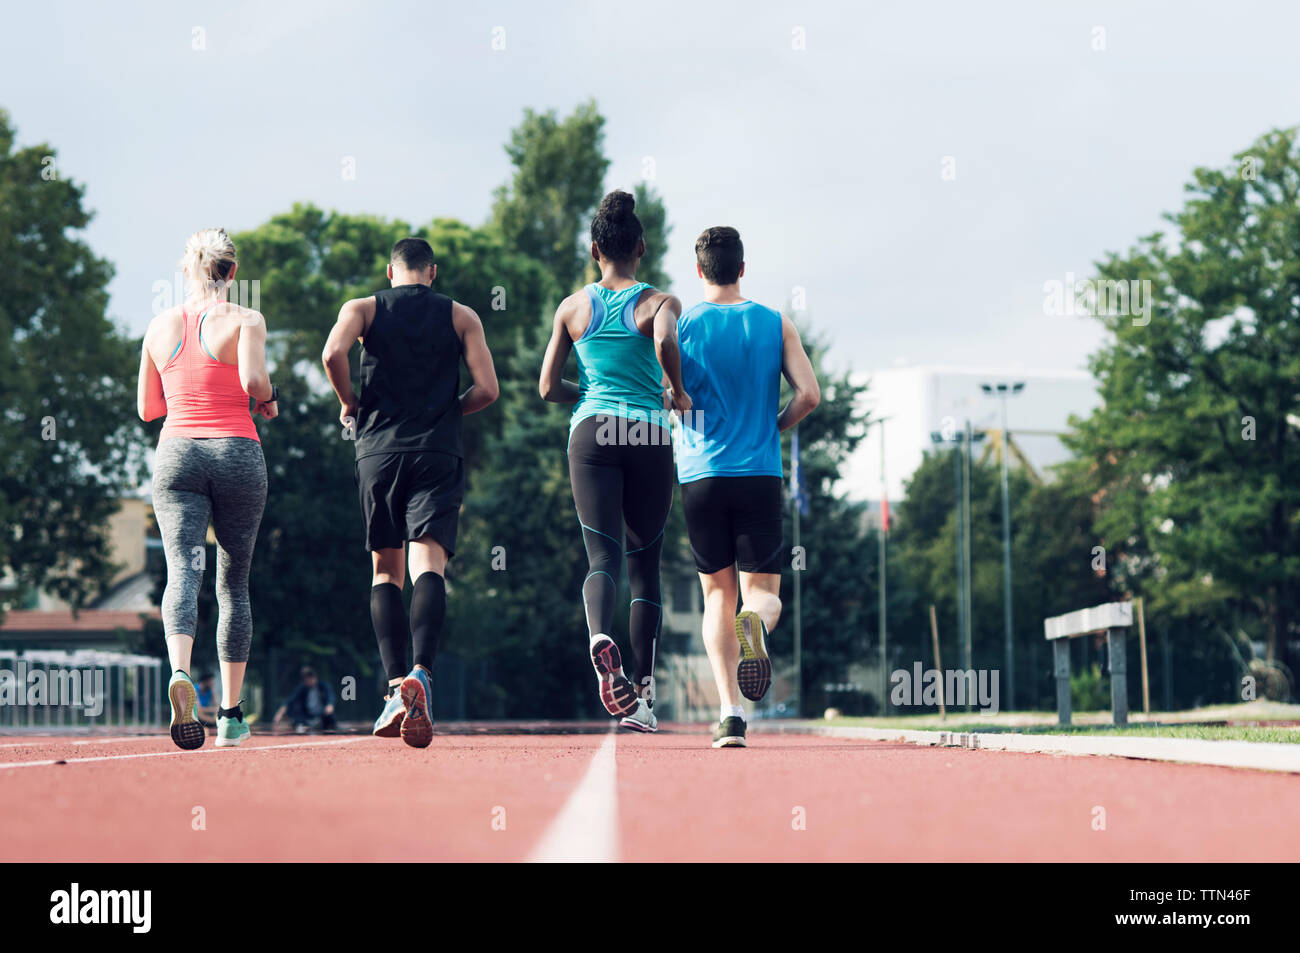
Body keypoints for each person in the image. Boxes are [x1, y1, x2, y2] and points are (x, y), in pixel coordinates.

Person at [322, 237, 498, 748]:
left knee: (385, 571)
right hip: (438, 453)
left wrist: (351, 403)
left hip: (377, 452)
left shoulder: (361, 308)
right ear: (432, 272)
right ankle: (423, 670)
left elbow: (332, 351)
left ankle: (397, 688)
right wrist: (445, 413)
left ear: (390, 270)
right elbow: (487, 390)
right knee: (430, 569)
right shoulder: (462, 316)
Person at [539, 190, 689, 733]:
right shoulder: (660, 303)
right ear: (642, 248)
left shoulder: (573, 307)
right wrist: (676, 390)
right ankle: (644, 698)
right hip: (647, 432)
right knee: (646, 567)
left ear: (595, 248)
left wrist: (587, 394)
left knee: (602, 558)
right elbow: (667, 338)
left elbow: (546, 386)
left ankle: (599, 636)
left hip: (593, 431)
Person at [674, 226, 820, 748]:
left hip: (700, 476)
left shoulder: (682, 324)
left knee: (717, 595)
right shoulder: (774, 323)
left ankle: (730, 714)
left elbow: (666, 394)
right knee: (762, 597)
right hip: (758, 473)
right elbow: (809, 395)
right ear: (742, 268)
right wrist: (772, 426)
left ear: (699, 271)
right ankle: (755, 625)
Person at [138, 227, 276, 751]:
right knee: (233, 582)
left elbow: (148, 409)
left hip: (177, 452)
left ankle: (180, 673)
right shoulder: (245, 319)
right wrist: (271, 398)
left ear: (187, 270)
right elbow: (252, 383)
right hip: (235, 448)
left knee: (182, 570)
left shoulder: (158, 325)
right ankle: (231, 716)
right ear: (232, 272)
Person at [273, 667, 337, 732]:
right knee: (295, 716)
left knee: (330, 717)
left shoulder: (324, 686)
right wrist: (280, 713)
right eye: (305, 680)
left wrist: (330, 705)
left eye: (308, 679)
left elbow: (330, 697)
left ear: (314, 677)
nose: (307, 682)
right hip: (307, 717)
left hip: (322, 716)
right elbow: (290, 700)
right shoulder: (302, 688)